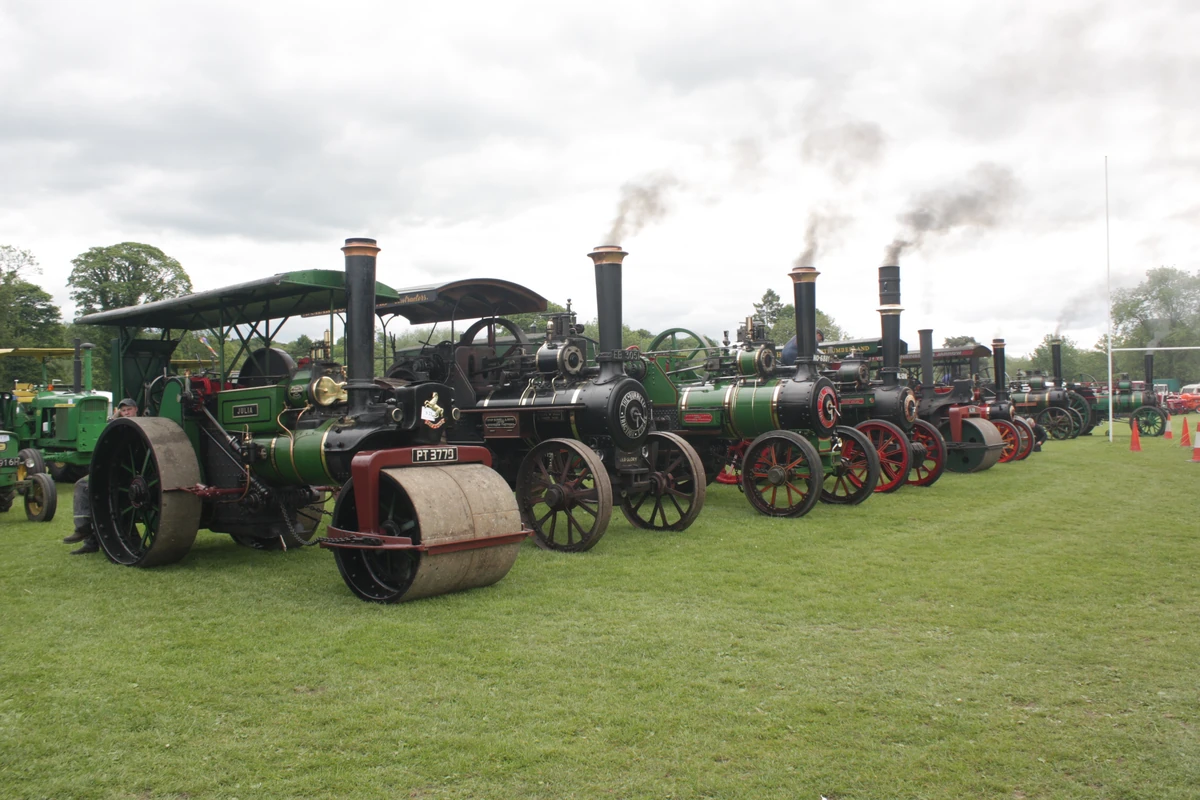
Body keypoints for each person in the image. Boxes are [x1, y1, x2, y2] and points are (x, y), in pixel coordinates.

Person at [63, 398, 138, 554]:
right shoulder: (118, 426)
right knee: (83, 485)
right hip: (118, 472)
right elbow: (109, 423)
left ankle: (84, 531)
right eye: (123, 410)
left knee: (85, 486)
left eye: (129, 410)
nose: (126, 413)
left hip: (129, 475)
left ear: (136, 409)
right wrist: (117, 415)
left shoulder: (140, 426)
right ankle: (87, 536)